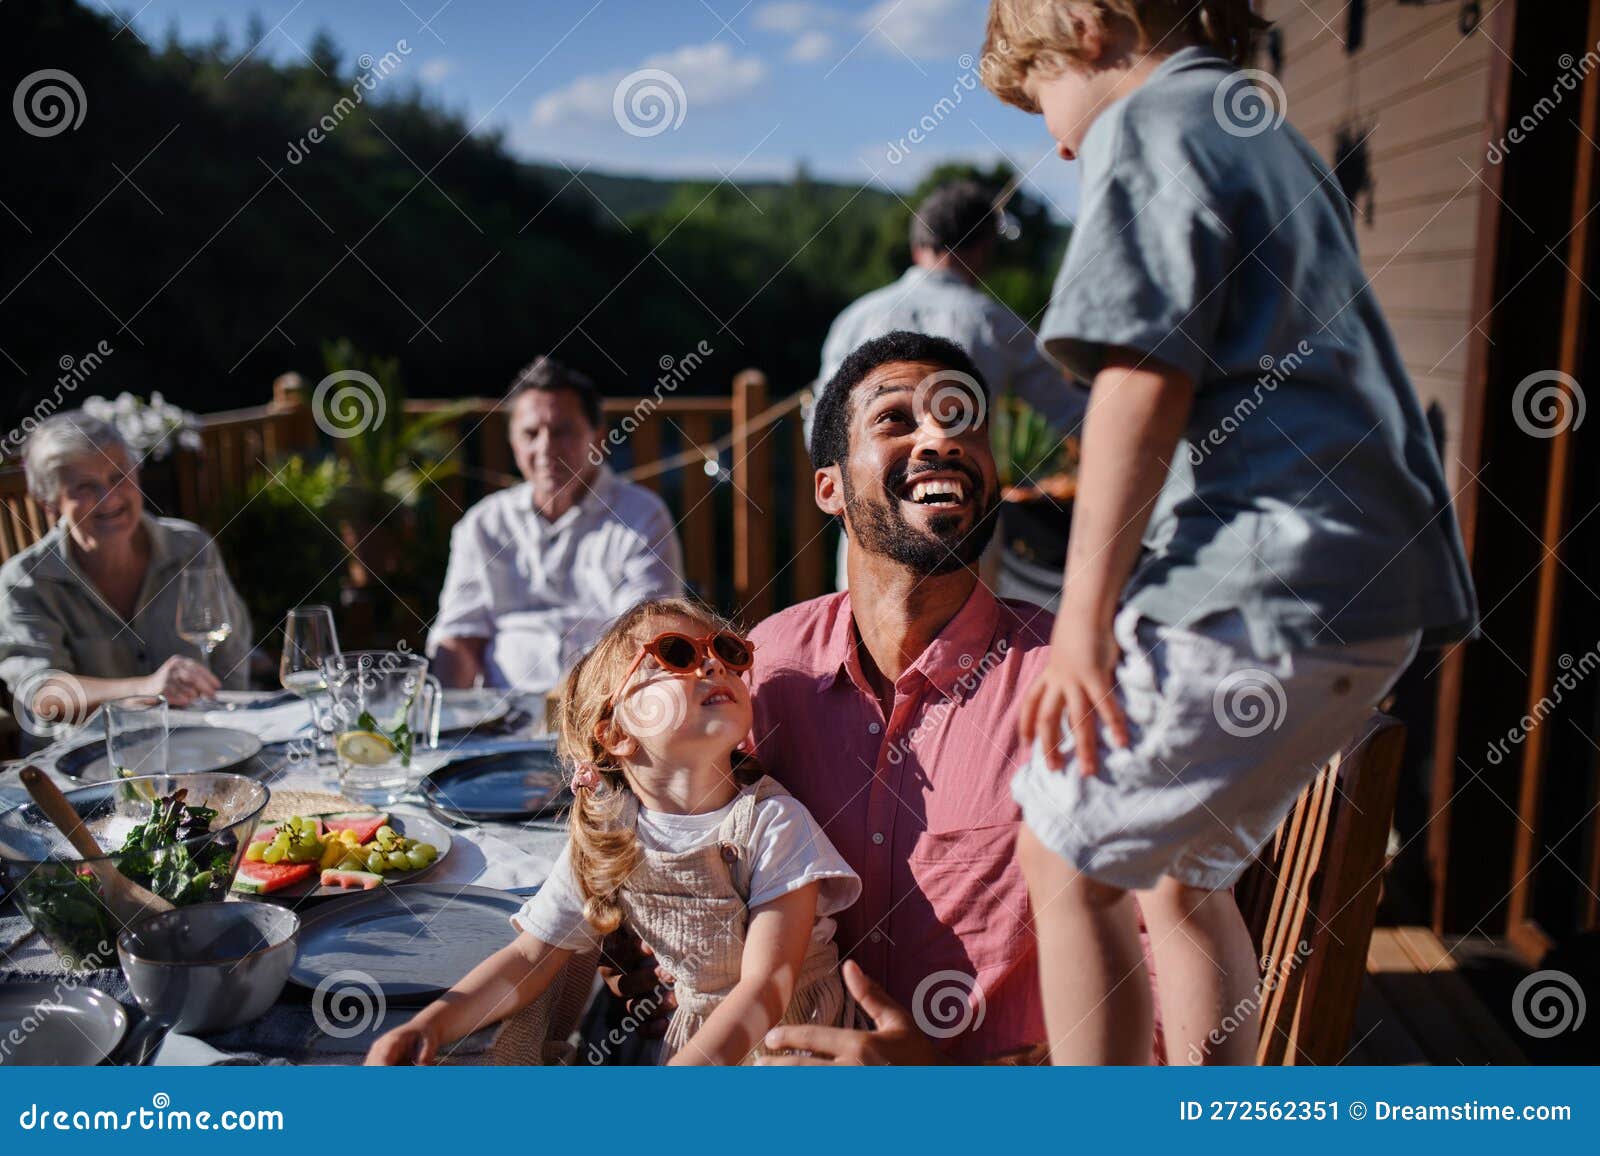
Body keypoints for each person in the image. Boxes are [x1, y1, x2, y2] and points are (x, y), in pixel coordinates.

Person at [982, 0, 1478, 1064]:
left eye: (1045, 103)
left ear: (1088, 26)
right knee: (1176, 877)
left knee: (1060, 862)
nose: (1059, 141)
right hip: (1364, 599)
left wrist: (1082, 621)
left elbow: (1137, 379)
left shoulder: (1148, 121)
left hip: (1269, 578)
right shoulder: (1258, 127)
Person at [367, 597, 862, 1066]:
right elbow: (530, 956)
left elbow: (768, 986)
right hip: (682, 1048)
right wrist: (432, 1025)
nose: (714, 667)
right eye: (676, 655)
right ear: (616, 732)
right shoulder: (609, 836)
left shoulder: (773, 823)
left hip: (785, 1050)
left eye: (727, 654)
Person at [814, 179, 1088, 590]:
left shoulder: (855, 319)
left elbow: (818, 433)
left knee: (866, 644)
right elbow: (1075, 414)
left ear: (917, 244)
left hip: (868, 522)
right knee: (975, 643)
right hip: (964, 521)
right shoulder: (995, 323)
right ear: (982, 249)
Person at [427, 357, 684, 693]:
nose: (546, 448)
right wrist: (449, 725)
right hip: (501, 719)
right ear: (513, 442)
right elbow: (459, 638)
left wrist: (575, 706)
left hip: (607, 712)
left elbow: (648, 636)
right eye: (531, 433)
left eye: (563, 431)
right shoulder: (483, 524)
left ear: (597, 436)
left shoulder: (642, 515)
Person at [0, 412, 252, 731]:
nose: (110, 498)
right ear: (47, 502)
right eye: (85, 487)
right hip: (87, 765)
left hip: (199, 745)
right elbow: (42, 695)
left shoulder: (191, 548)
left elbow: (232, 659)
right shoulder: (23, 581)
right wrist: (145, 689)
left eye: (118, 476)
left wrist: (233, 732)